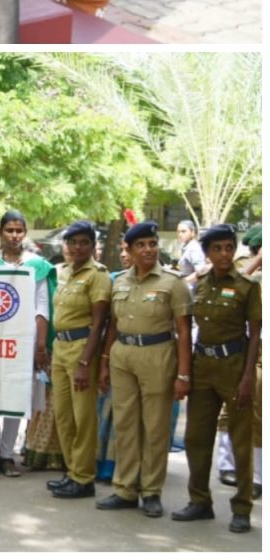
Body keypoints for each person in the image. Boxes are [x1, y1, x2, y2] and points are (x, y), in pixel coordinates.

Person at [95, 222, 192, 518]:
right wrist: (104, 362)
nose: (148, 249)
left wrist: (183, 375)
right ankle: (125, 489)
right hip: (123, 354)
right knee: (124, 424)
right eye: (141, 245)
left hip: (158, 354)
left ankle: (151, 491)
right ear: (130, 250)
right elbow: (112, 326)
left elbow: (184, 332)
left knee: (155, 426)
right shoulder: (120, 281)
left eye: (152, 243)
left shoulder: (173, 282)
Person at [172, 224, 261, 533]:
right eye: (217, 248)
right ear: (207, 252)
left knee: (240, 442)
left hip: (235, 367)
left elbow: (255, 335)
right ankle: (199, 502)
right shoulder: (202, 284)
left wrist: (248, 376)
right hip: (202, 367)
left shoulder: (247, 286)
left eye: (229, 247)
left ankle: (242, 508)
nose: (224, 254)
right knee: (196, 438)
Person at [0, 209, 55, 477]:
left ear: (25, 232)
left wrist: (39, 347)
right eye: (9, 230)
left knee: (16, 395)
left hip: (23, 342)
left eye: (19, 230)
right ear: (1, 232)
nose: (14, 235)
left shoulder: (37, 265)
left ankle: (6, 454)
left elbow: (42, 308)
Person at [48, 221, 111, 500]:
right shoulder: (66, 273)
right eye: (73, 242)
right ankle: (72, 470)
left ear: (92, 245)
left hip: (81, 349)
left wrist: (87, 362)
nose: (77, 247)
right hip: (60, 347)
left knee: (83, 417)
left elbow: (100, 323)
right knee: (63, 415)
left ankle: (84, 478)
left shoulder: (97, 275)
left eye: (84, 242)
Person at [176, 219, 210, 294]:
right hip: (186, 289)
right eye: (178, 232)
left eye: (183, 231)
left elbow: (201, 272)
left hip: (192, 291)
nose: (180, 234)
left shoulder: (193, 249)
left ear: (192, 232)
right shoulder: (186, 247)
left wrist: (184, 282)